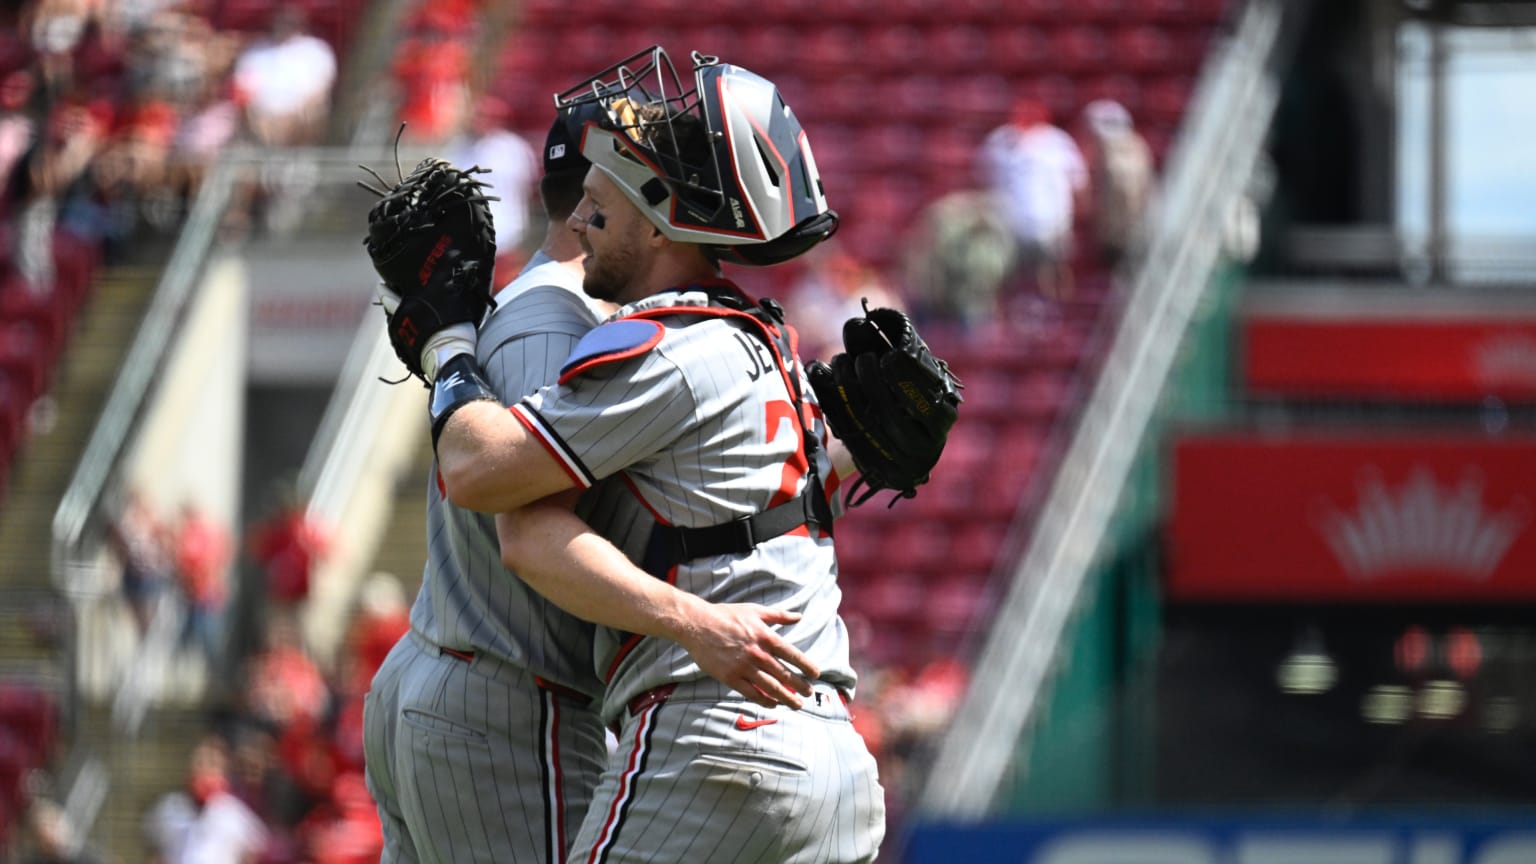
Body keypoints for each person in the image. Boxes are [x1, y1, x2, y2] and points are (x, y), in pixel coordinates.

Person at [388, 47, 884, 862]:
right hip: (835, 758)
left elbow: (479, 473)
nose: (577, 224)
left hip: (718, 739)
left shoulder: (665, 347)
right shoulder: (774, 343)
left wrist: (448, 344)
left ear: (657, 218)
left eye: (597, 202)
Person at [978, 97, 1087, 303]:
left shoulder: (1058, 143)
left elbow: (1078, 182)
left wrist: (1074, 217)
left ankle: (1062, 308)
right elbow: (987, 181)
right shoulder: (999, 141)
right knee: (1007, 273)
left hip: (1053, 221)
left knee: (1055, 269)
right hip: (1011, 223)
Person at [1079, 98, 1153, 270]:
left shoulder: (1127, 153)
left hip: (1126, 233)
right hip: (1115, 232)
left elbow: (1128, 193)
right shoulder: (1133, 147)